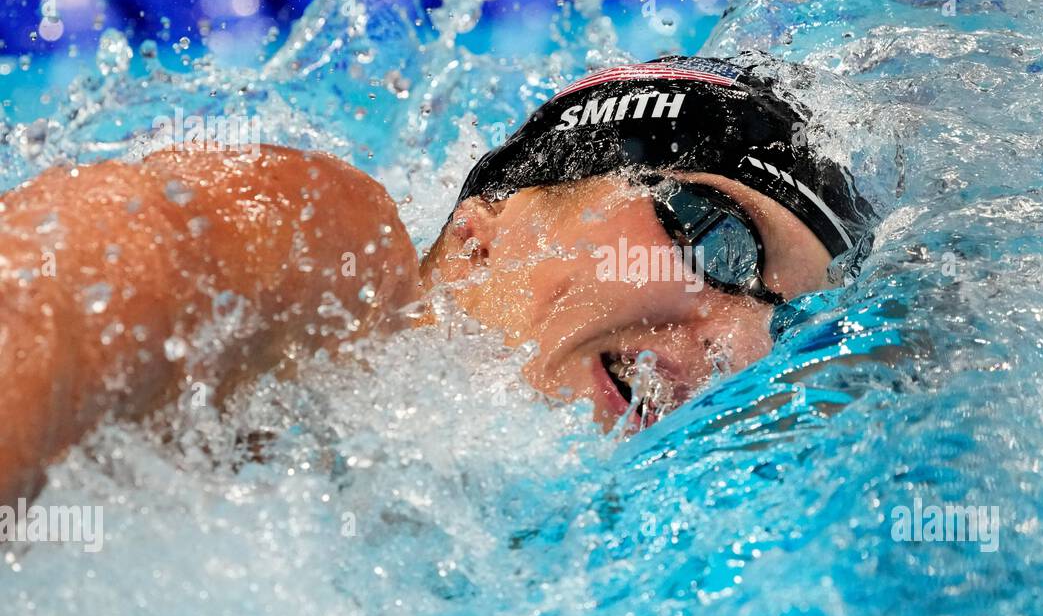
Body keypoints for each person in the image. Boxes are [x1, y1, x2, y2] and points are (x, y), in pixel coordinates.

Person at [0, 55, 875, 504]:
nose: (737, 344)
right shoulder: (333, 251)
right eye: (719, 242)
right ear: (482, 234)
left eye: (787, 327)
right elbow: (56, 288)